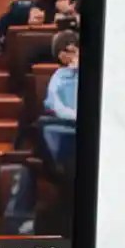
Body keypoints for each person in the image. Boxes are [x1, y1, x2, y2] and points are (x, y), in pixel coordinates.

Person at [39, 30, 78, 177]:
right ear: (61, 55)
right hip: (67, 125)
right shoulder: (59, 77)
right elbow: (56, 105)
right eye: (71, 51)